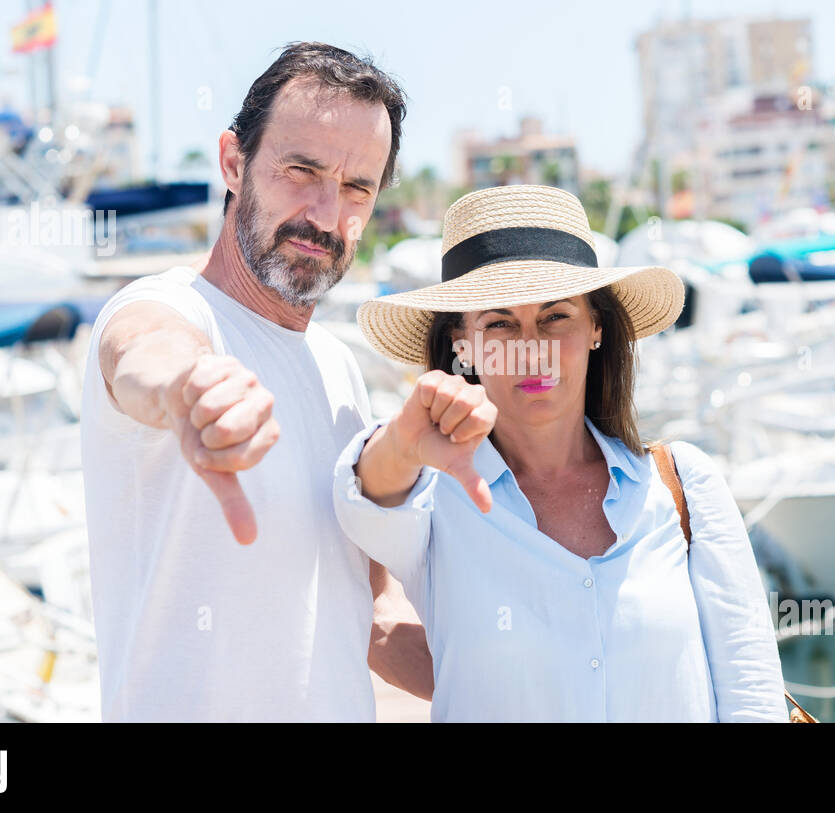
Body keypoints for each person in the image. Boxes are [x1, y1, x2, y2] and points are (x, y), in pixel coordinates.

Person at [333, 184, 788, 722]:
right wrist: (404, 441)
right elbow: (367, 496)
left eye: (556, 317)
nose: (532, 348)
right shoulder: (432, 499)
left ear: (596, 327)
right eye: (500, 322)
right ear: (463, 343)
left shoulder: (683, 484)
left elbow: (753, 699)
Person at [80, 42, 431, 722]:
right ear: (233, 162)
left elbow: (372, 612)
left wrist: (514, 669)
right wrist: (190, 392)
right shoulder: (167, 310)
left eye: (357, 186)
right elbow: (144, 354)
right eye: (303, 170)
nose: (327, 215)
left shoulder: (340, 369)